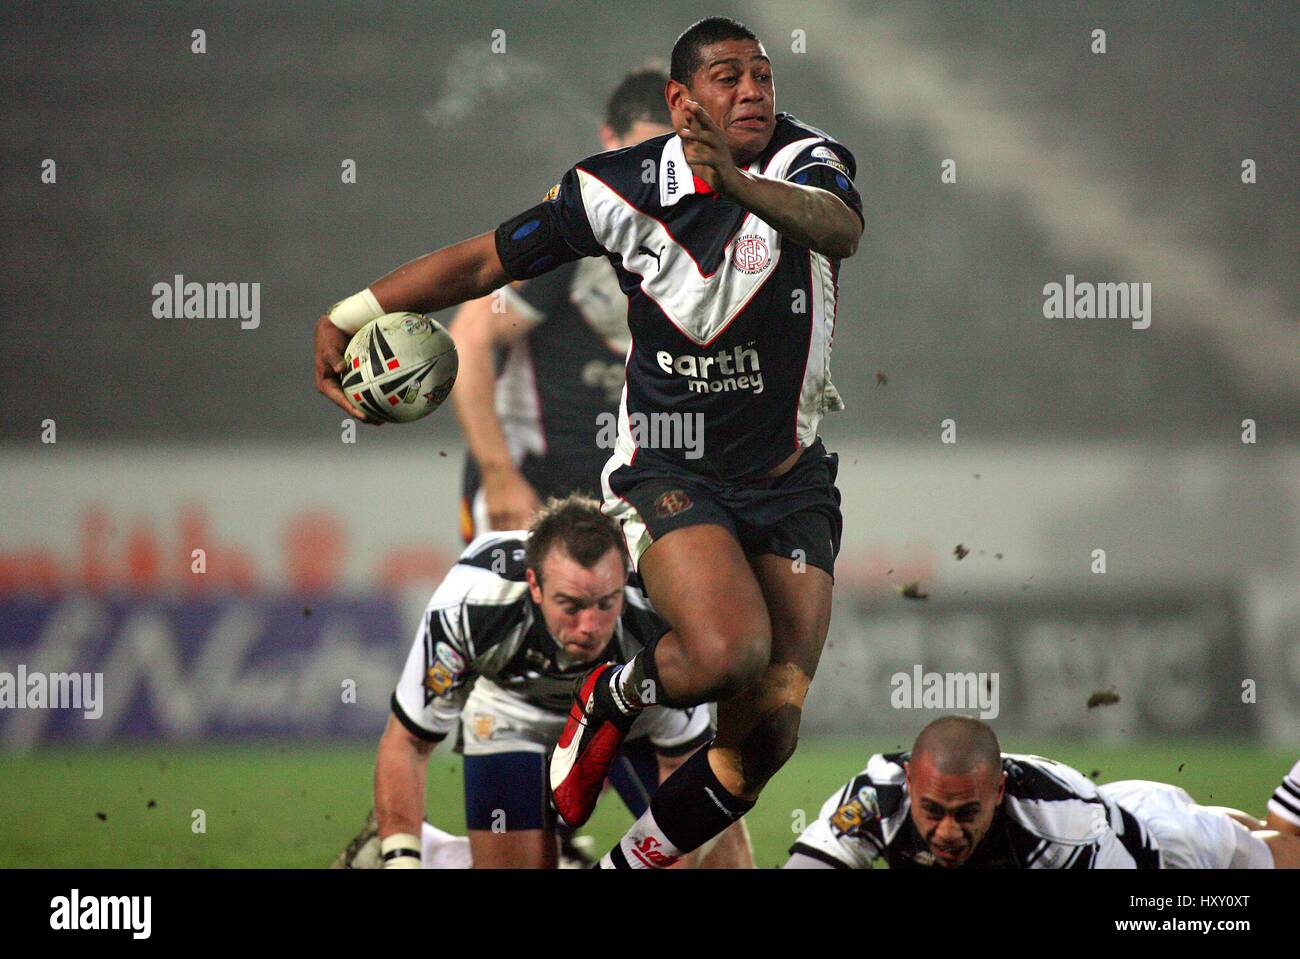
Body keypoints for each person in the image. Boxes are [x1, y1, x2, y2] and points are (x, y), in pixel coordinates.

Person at [313, 15, 862, 869]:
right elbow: (483, 264)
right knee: (728, 651)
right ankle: (613, 694)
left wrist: (741, 185)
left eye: (762, 75)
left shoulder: (805, 160)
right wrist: (355, 312)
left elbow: (839, 229)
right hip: (669, 469)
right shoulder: (614, 188)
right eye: (728, 77)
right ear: (682, 102)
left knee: (769, 737)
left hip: (792, 481)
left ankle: (623, 861)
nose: (753, 89)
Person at [358, 495, 751, 868]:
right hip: (513, 716)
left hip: (633, 720)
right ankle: (435, 853)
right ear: (534, 584)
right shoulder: (472, 603)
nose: (590, 626)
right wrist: (402, 858)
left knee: (718, 852)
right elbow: (409, 741)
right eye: (571, 605)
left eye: (604, 603)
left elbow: (681, 761)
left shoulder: (656, 607)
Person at [450, 69, 674, 540]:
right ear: (608, 141)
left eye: (670, 159)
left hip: (630, 493)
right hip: (531, 485)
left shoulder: (714, 241)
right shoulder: (572, 233)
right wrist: (499, 476)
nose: (652, 180)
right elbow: (468, 338)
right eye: (640, 158)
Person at [785, 716, 1300, 870]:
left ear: (999, 792)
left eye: (966, 813)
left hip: (1161, 851)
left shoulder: (1065, 835)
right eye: (933, 810)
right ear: (911, 786)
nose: (946, 831)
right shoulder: (877, 798)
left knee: (1274, 855)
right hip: (1108, 803)